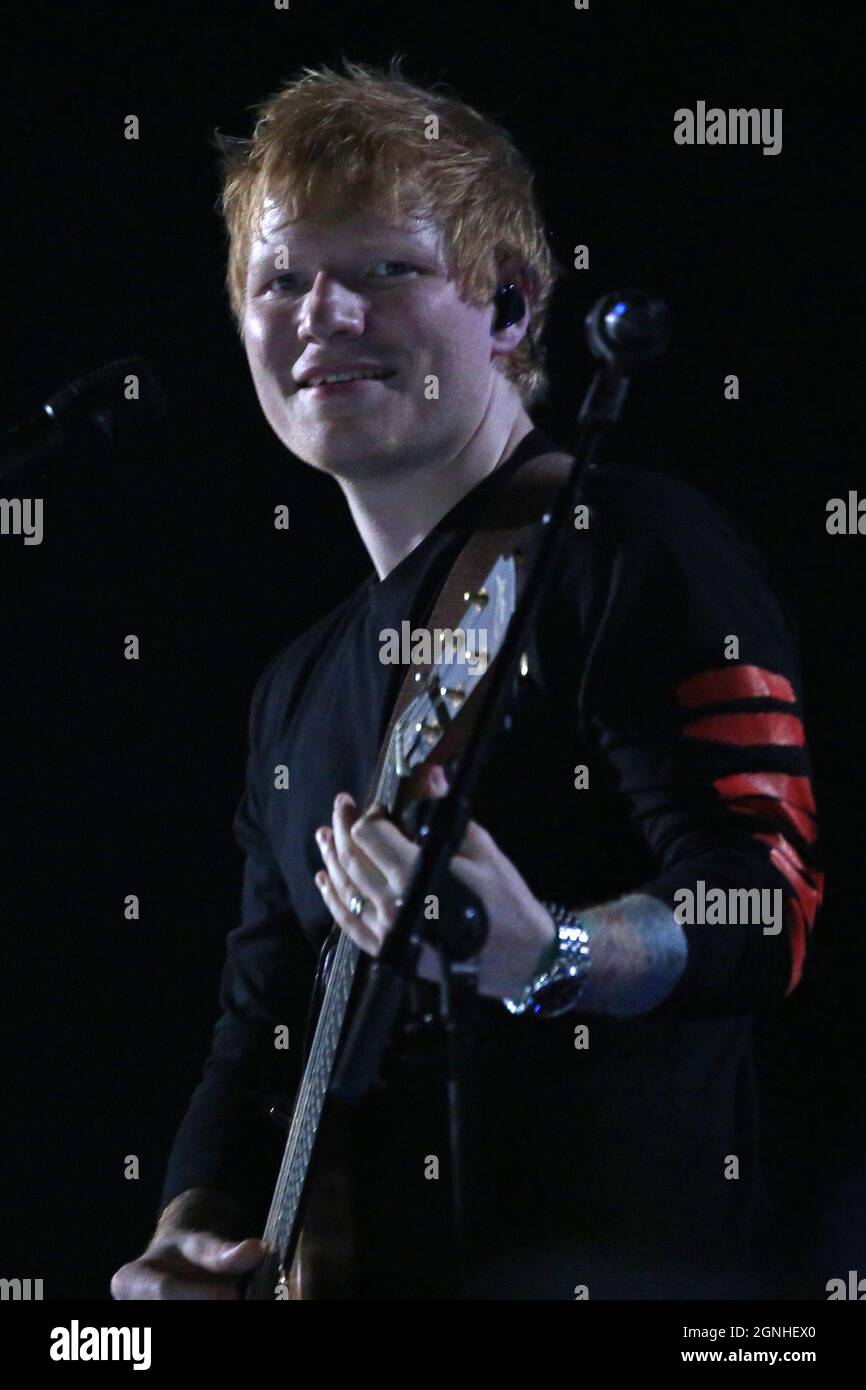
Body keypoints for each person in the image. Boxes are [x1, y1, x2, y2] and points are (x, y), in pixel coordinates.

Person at [111, 58, 823, 1301]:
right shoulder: (293, 684)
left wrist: (548, 951)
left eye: (384, 268)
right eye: (281, 279)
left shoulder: (633, 547)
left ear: (507, 309)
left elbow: (766, 899)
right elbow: (258, 1023)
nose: (321, 315)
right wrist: (188, 1224)